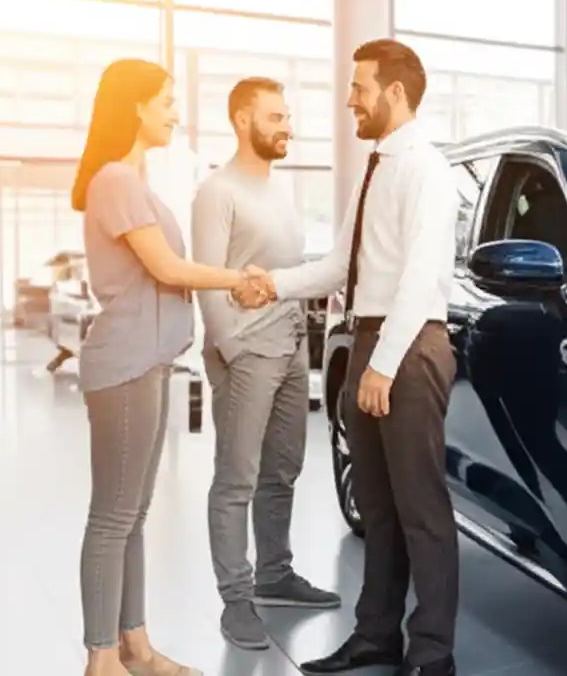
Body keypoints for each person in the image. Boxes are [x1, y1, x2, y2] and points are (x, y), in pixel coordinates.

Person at [238, 39, 460, 676]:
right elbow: (341, 266)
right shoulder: (378, 167)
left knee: (422, 511)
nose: (349, 100)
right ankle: (376, 638)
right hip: (371, 338)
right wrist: (271, 284)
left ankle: (433, 658)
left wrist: (383, 365)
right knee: (377, 505)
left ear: (393, 93)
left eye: (359, 88)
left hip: (408, 345)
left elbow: (420, 278)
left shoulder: (426, 169)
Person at [72, 58, 256, 676]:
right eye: (168, 100)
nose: (176, 111)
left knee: (134, 513)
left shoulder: (133, 180)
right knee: (114, 516)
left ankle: (137, 648)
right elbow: (168, 270)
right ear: (136, 106)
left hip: (146, 363)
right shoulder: (117, 181)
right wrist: (241, 279)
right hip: (124, 365)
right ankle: (103, 660)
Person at [191, 76, 341, 652]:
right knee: (236, 479)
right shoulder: (218, 191)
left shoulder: (279, 190)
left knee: (283, 471)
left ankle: (275, 576)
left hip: (290, 348)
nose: (287, 127)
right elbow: (205, 279)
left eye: (287, 117)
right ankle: (237, 599)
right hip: (247, 354)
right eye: (275, 117)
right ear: (241, 120)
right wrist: (230, 351)